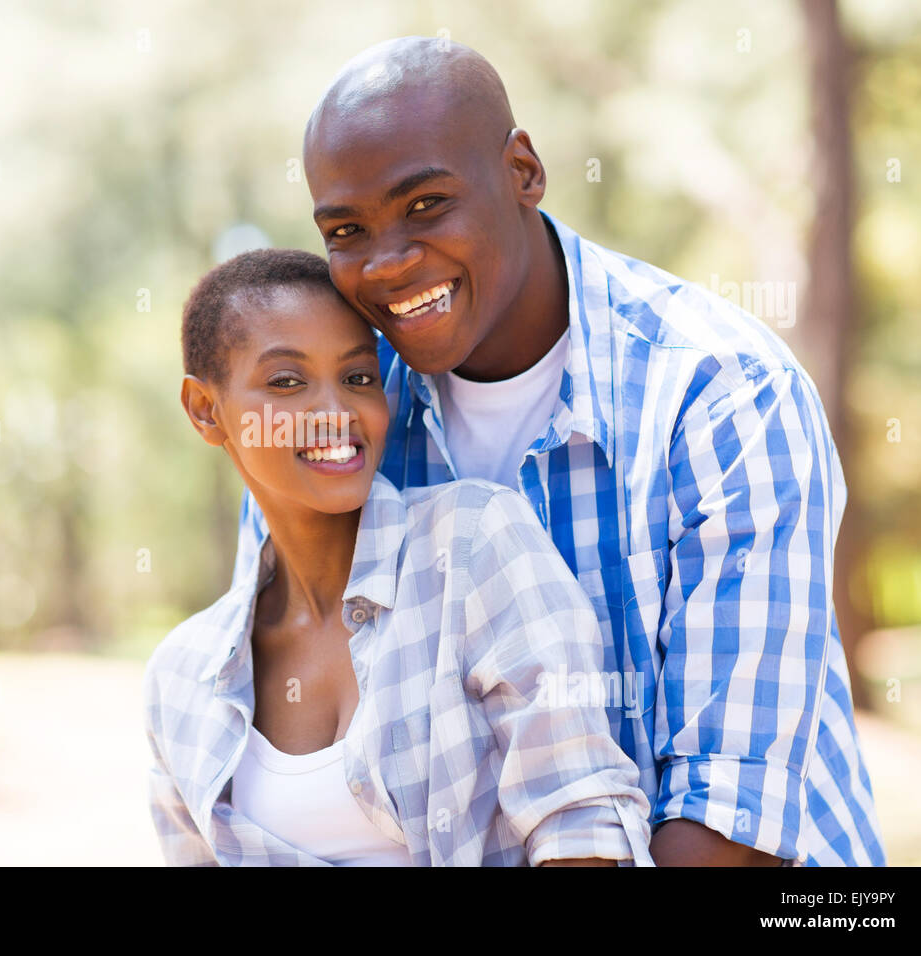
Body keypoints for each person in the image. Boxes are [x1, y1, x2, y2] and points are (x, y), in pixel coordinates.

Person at [232, 37, 885, 866]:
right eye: (348, 230)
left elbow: (730, 821)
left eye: (427, 205)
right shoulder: (338, 423)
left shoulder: (724, 395)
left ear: (523, 172)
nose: (389, 262)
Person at [143, 248, 654, 866]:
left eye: (357, 378)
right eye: (287, 382)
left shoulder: (472, 545)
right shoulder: (181, 679)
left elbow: (582, 829)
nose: (335, 414)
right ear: (205, 410)